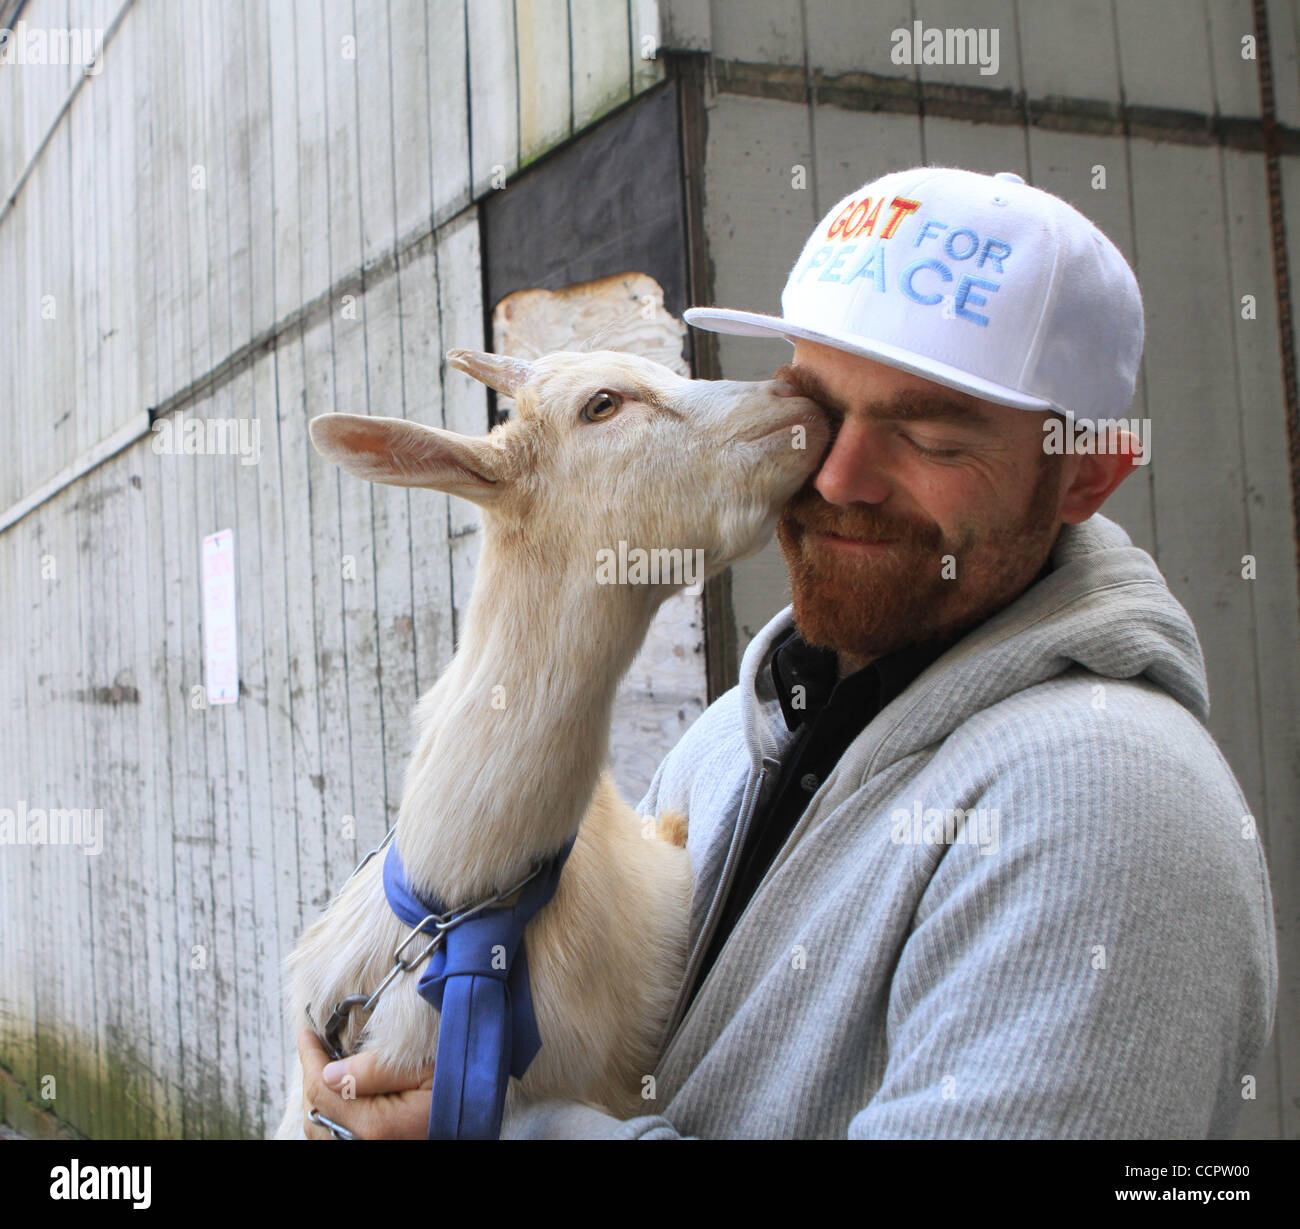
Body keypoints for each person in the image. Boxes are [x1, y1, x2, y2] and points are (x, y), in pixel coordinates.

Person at [299, 165, 1277, 1139]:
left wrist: (501, 1133)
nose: (837, 475)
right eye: (817, 408)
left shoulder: (1113, 807)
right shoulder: (730, 740)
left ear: (1085, 476)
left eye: (931, 438)